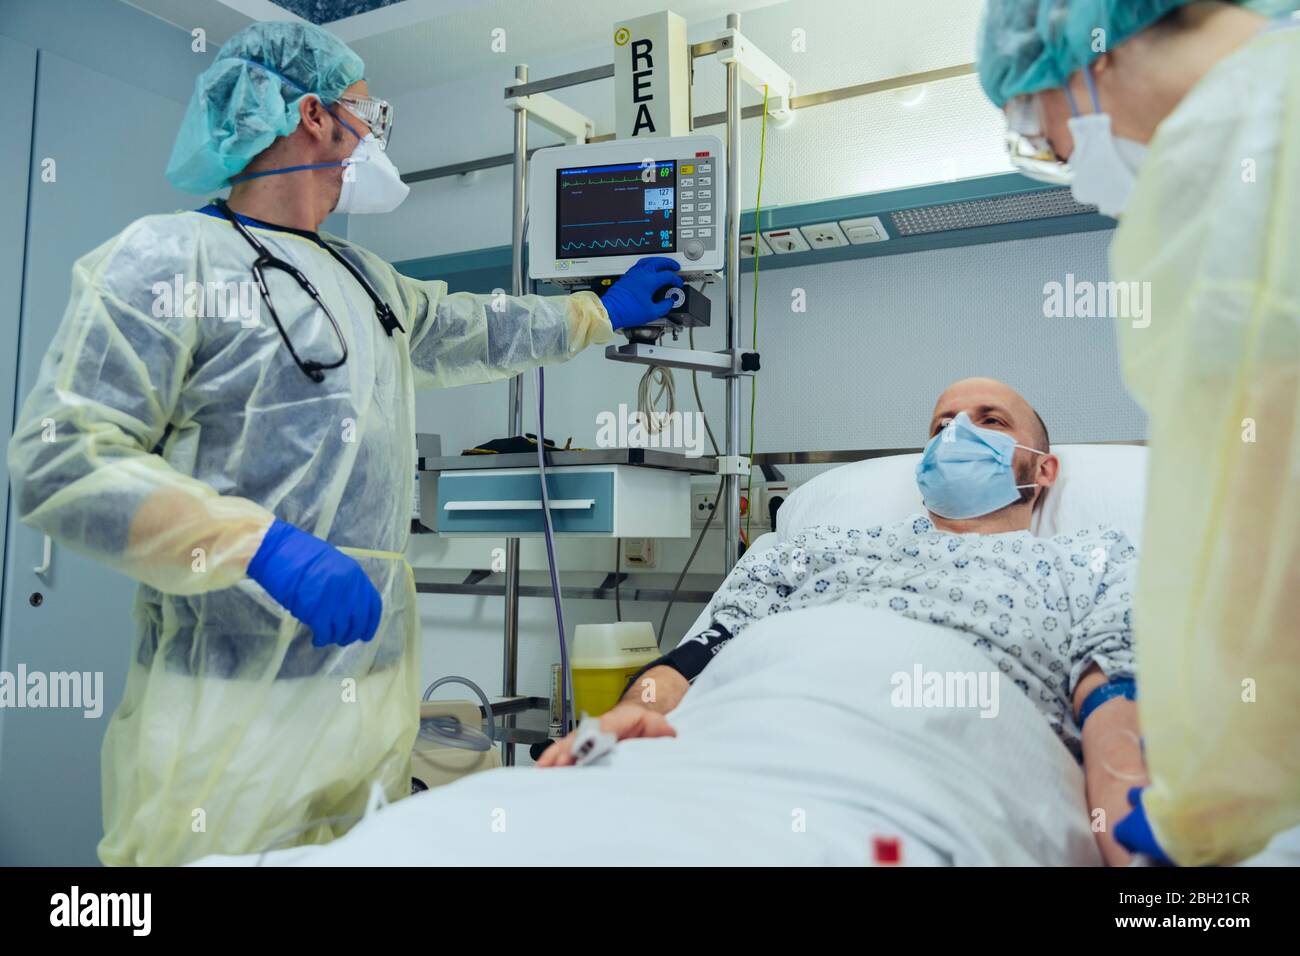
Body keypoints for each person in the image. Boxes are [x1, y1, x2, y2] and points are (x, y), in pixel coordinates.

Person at [6, 20, 682, 866]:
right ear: (316, 117)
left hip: (369, 709)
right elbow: (59, 458)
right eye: (370, 113)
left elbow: (476, 328)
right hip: (225, 719)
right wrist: (263, 548)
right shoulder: (167, 260)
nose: (377, 134)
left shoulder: (368, 282)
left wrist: (596, 313)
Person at [542, 378, 1149, 866]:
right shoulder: (809, 548)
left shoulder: (1090, 559)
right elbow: (691, 661)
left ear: (1043, 470)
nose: (957, 433)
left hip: (934, 756)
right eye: (941, 426)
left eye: (990, 420)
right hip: (739, 732)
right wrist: (624, 716)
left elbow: (1113, 716)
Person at [975, 0, 1300, 865]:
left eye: (1033, 123)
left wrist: (1211, 802)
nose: (1061, 154)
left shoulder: (1227, 159)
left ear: (1088, 56)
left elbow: (1259, 532)